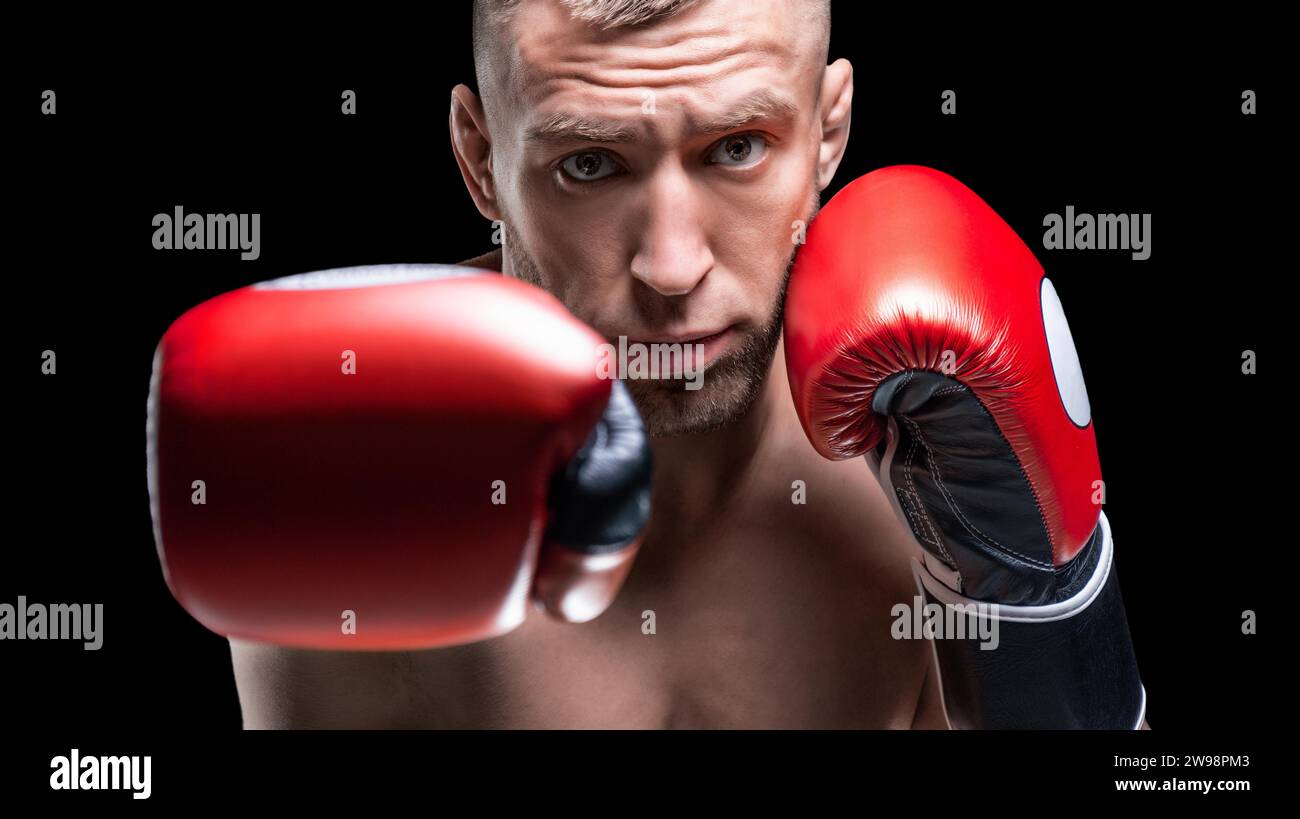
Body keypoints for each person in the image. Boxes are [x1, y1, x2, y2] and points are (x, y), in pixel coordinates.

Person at [150, 0, 1144, 729]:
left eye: (737, 148)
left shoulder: (929, 439)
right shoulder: (365, 471)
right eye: (589, 164)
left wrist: (1041, 613)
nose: (672, 267)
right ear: (479, 157)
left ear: (828, 132)